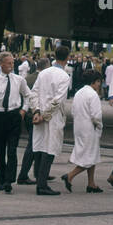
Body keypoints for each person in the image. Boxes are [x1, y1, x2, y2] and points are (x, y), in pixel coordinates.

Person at [0, 51, 33, 193]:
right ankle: (1, 180)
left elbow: (28, 95)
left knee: (12, 150)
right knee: (0, 152)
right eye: (9, 63)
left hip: (14, 116)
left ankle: (9, 181)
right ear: (1, 64)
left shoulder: (19, 80)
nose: (12, 65)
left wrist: (24, 110)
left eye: (13, 62)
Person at [29, 44, 72, 196]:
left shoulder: (44, 73)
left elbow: (33, 93)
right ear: (67, 57)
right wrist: (44, 115)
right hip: (52, 117)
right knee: (50, 150)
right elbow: (57, 100)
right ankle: (42, 184)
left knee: (41, 147)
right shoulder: (64, 76)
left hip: (40, 113)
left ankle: (41, 182)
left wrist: (37, 111)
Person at [63, 69, 105, 192]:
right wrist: (100, 126)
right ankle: (70, 176)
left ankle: (91, 183)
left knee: (92, 154)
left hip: (79, 127)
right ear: (95, 81)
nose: (99, 85)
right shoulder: (93, 95)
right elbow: (96, 115)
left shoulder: (79, 93)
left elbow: (73, 111)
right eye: (99, 82)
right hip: (89, 129)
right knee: (88, 156)